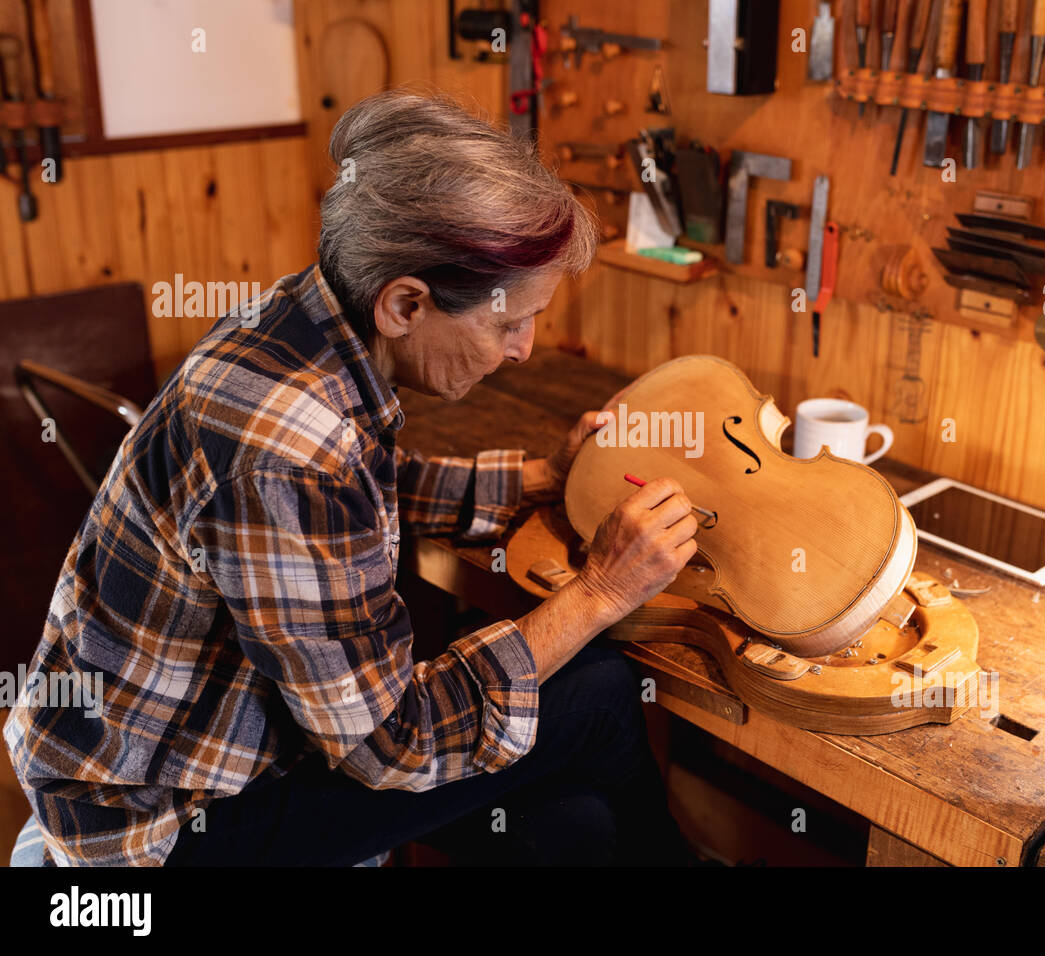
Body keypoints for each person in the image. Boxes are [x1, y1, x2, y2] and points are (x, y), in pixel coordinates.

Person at [4, 90, 700, 866]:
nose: (524, 349)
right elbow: (390, 741)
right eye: (508, 323)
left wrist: (545, 476)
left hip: (205, 740)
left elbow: (357, 497)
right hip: (164, 826)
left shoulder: (294, 324)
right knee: (600, 690)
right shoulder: (288, 445)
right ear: (406, 304)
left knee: (577, 827)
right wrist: (600, 591)